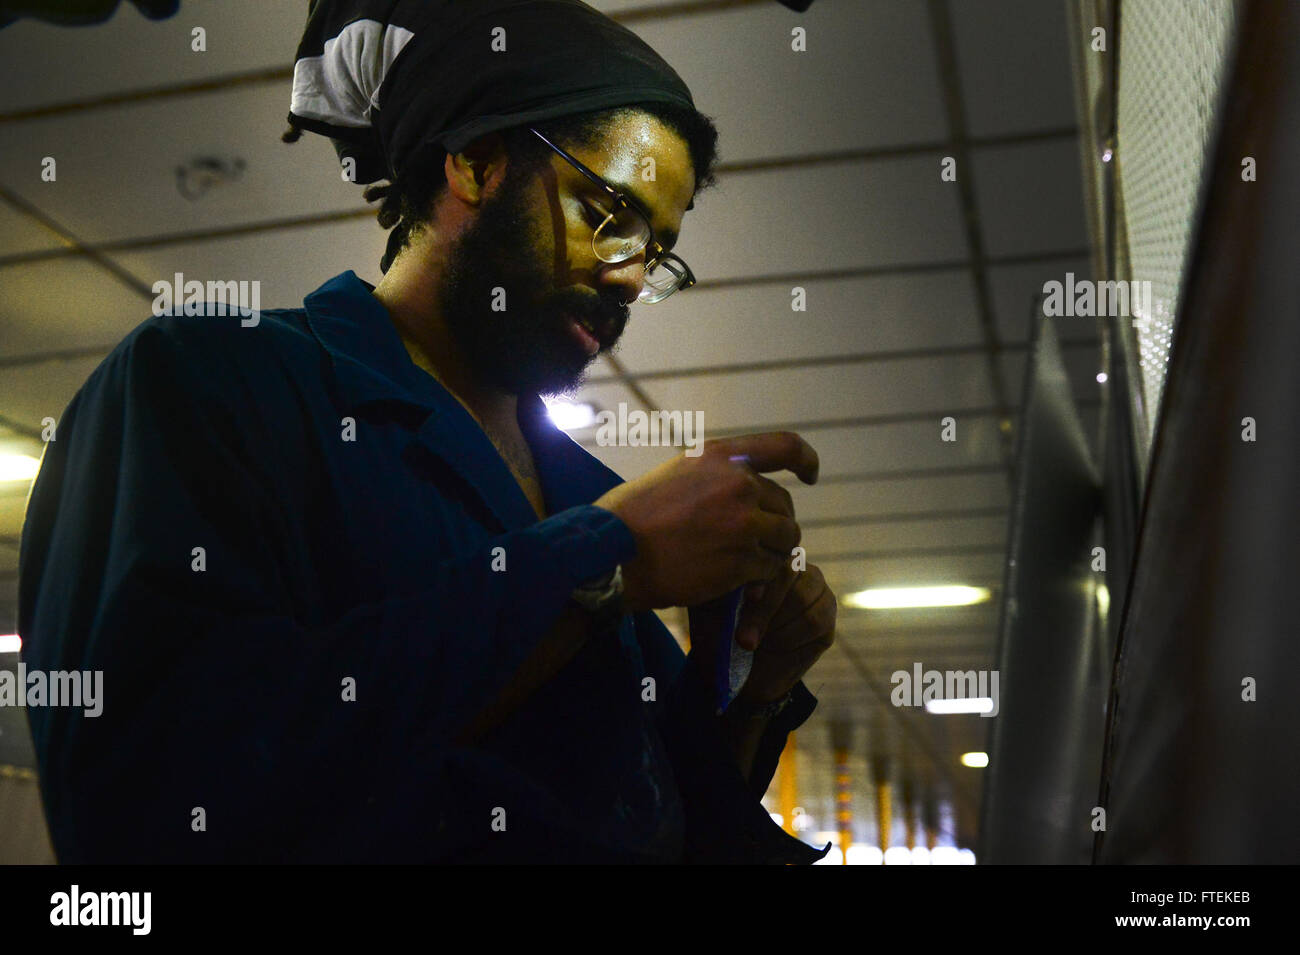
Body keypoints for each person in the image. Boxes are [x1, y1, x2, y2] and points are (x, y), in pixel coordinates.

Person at [18, 0, 836, 863]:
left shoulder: (588, 493)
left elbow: (663, 825)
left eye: (656, 250)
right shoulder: (214, 384)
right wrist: (604, 561)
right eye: (608, 212)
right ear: (477, 162)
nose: (630, 276)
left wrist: (753, 688)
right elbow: (156, 800)